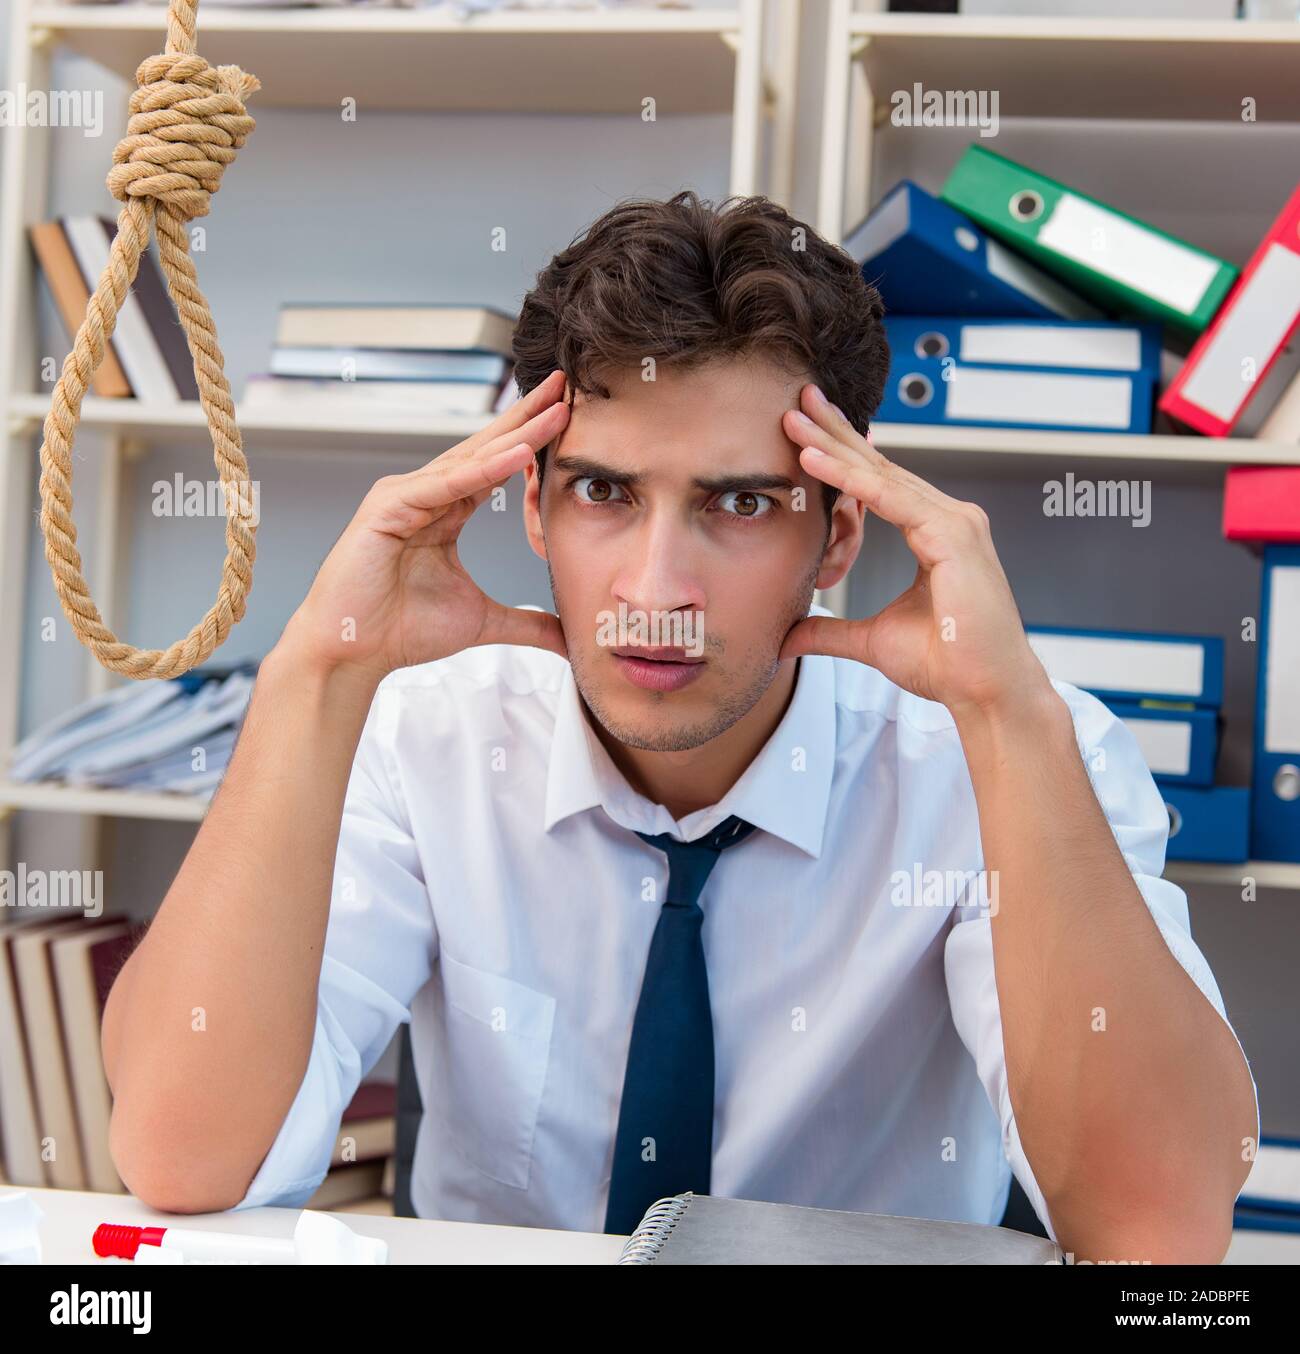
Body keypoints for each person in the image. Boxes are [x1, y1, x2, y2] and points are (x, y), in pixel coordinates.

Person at [102, 191, 1258, 1261]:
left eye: (740, 503)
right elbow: (181, 1154)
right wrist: (316, 667)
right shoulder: (418, 733)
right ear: (534, 509)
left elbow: (1156, 1234)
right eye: (605, 493)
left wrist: (1009, 722)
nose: (657, 585)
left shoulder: (1005, 747)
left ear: (843, 534)